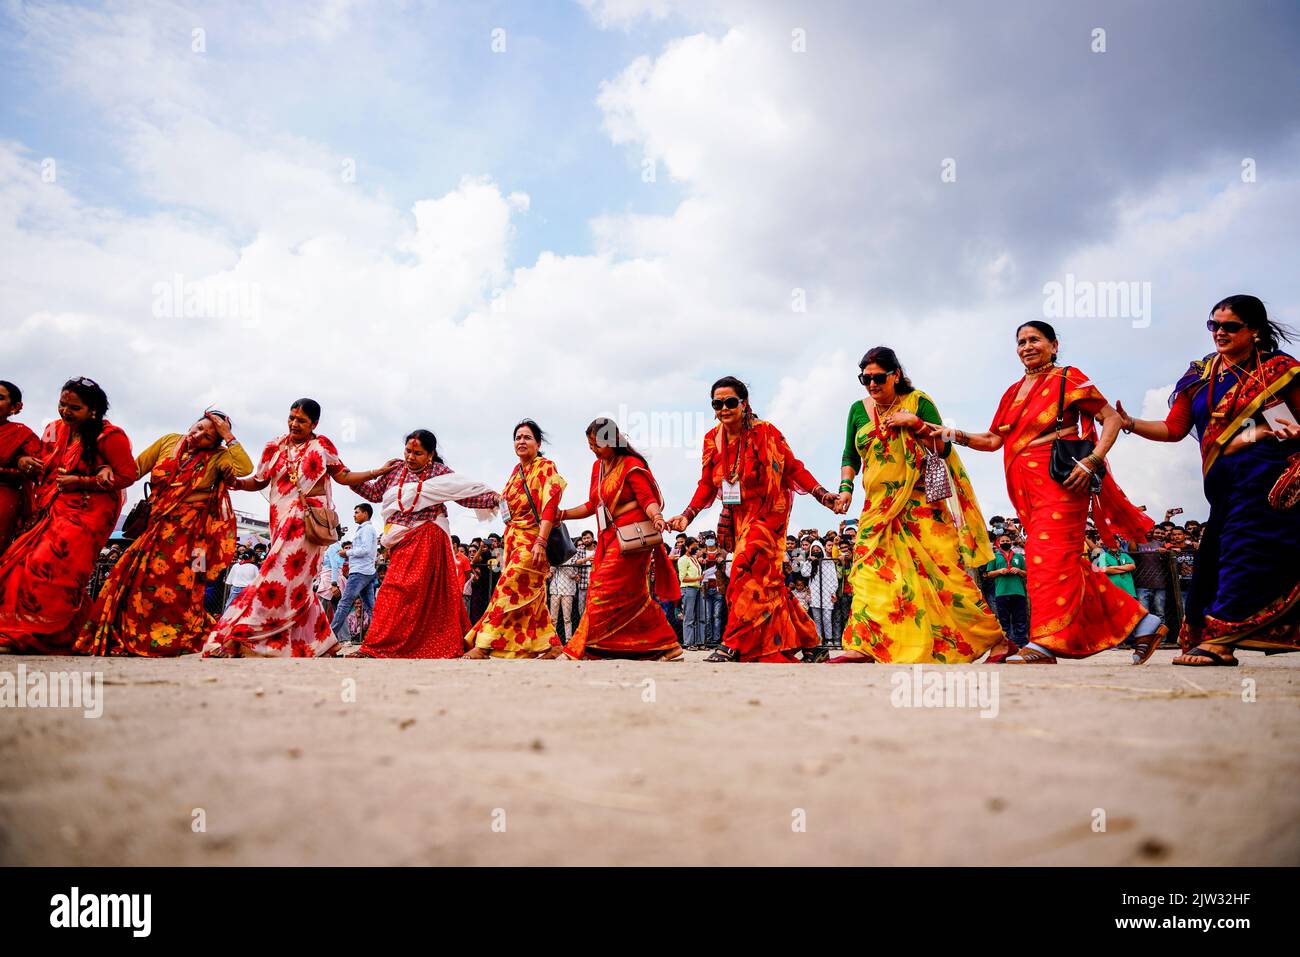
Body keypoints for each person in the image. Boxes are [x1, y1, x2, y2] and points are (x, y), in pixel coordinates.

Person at [943, 321, 1165, 664]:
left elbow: (1112, 419)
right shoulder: (1012, 392)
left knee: (1045, 560)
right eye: (1021, 342)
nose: (1027, 346)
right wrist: (950, 434)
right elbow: (992, 440)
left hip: (1062, 484)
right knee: (1064, 565)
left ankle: (1044, 644)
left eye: (1035, 340)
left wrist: (1092, 459)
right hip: (1026, 492)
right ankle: (1142, 623)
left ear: (1054, 344)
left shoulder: (1068, 378)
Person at [1116, 295, 1300, 665]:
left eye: (1230, 326)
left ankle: (1220, 642)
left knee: (1242, 551)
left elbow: (1294, 423)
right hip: (1223, 485)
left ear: (1255, 331)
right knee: (1214, 557)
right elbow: (1173, 428)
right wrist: (1130, 424)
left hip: (1267, 478)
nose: (1219, 333)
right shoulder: (1200, 375)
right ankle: (1215, 635)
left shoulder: (1280, 370)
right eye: (1213, 325)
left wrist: (1256, 433)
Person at [832, 348, 1007, 663]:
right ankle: (863, 645)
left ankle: (996, 639)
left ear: (895, 374)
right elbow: (850, 455)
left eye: (878, 378)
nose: (871, 384)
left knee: (944, 576)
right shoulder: (857, 410)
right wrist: (845, 489)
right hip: (877, 508)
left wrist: (914, 423)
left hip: (922, 505)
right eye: (865, 379)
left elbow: (942, 446)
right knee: (870, 572)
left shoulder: (918, 402)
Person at [203, 398, 400, 658]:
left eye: (302, 421)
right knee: (297, 587)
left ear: (314, 424)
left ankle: (244, 635)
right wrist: (238, 484)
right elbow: (259, 481)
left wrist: (377, 471)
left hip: (308, 525)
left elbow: (342, 476)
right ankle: (321, 644)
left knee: (276, 578)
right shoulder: (273, 446)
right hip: (280, 520)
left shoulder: (322, 445)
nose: (295, 424)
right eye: (292, 418)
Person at [666, 376, 840, 663]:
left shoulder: (766, 433)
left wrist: (822, 495)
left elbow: (793, 468)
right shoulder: (712, 439)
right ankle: (811, 642)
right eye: (717, 403)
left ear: (744, 403)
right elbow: (708, 485)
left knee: (742, 569)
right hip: (741, 518)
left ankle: (733, 642)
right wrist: (687, 515)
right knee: (768, 583)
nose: (724, 408)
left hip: (770, 514)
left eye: (730, 402)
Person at [76, 411, 251, 657]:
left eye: (208, 436)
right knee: (139, 584)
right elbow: (132, 471)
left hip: (195, 538)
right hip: (156, 530)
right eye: (198, 427)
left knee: (188, 587)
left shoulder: (218, 457)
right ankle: (134, 635)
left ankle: (174, 637)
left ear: (216, 442)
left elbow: (244, 468)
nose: (198, 435)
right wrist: (103, 468)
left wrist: (227, 435)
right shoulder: (168, 441)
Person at [0, 378, 136, 654]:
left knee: (47, 566)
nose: (65, 411)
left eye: (74, 407)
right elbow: (47, 464)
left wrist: (83, 481)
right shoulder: (61, 431)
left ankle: (38, 634)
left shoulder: (111, 436)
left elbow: (128, 475)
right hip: (56, 506)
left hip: (89, 513)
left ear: (93, 410)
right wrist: (22, 462)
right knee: (19, 565)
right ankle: (55, 632)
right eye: (62, 404)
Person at [348, 429, 498, 659]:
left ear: (430, 454)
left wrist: (494, 499)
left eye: (417, 453)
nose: (410, 457)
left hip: (428, 536)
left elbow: (464, 494)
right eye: (408, 450)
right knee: (392, 590)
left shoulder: (439, 472)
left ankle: (389, 646)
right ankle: (379, 645)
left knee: (410, 592)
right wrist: (353, 475)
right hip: (399, 541)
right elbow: (374, 493)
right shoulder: (395, 470)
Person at [557, 418, 682, 660]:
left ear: (612, 441)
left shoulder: (631, 464)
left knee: (602, 589)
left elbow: (647, 499)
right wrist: (562, 515)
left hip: (631, 540)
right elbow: (593, 505)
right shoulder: (598, 468)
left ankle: (581, 647)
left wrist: (657, 516)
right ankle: (667, 645)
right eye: (590, 445)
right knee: (632, 597)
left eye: (597, 445)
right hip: (608, 539)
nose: (593, 450)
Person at [463, 420, 568, 659]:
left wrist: (541, 541)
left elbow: (550, 505)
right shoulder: (515, 471)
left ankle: (485, 644)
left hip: (533, 542)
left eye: (527, 437)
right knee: (532, 598)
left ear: (538, 443)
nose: (521, 441)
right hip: (513, 540)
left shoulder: (546, 467)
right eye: (518, 437)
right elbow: (508, 507)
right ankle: (551, 644)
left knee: (506, 589)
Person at [0, 381, 41, 556]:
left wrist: (19, 461)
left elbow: (40, 469)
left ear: (15, 407)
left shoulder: (22, 434)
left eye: (0, 398)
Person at [330, 504, 378, 644]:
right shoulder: (364, 529)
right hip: (366, 571)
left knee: (344, 604)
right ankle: (378, 636)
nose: (354, 515)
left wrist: (347, 553)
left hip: (359, 572)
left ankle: (330, 637)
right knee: (371, 607)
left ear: (365, 513)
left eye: (357, 512)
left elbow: (365, 549)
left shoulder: (367, 529)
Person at [985, 530, 1029, 649]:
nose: (1005, 542)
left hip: (1018, 592)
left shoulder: (1019, 557)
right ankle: (1007, 644)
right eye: (1003, 541)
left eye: (1007, 541)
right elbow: (989, 574)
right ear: (998, 543)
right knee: (1004, 620)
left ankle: (1022, 644)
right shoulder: (994, 557)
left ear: (1011, 542)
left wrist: (1019, 571)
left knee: (1020, 618)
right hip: (1001, 592)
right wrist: (999, 571)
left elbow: (1027, 574)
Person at [805, 541, 840, 644]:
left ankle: (829, 640)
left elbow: (834, 579)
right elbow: (805, 573)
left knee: (827, 618)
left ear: (822, 550)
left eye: (818, 550)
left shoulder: (828, 562)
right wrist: (809, 562)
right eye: (814, 551)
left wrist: (833, 592)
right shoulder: (810, 563)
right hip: (815, 594)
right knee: (817, 619)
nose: (816, 552)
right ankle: (819, 639)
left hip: (827, 594)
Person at [677, 539, 704, 646]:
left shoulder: (694, 559)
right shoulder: (683, 559)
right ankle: (689, 642)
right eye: (693, 546)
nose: (695, 548)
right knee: (689, 617)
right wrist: (698, 578)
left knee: (700, 617)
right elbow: (682, 578)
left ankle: (700, 642)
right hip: (688, 589)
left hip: (697, 588)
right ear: (687, 547)